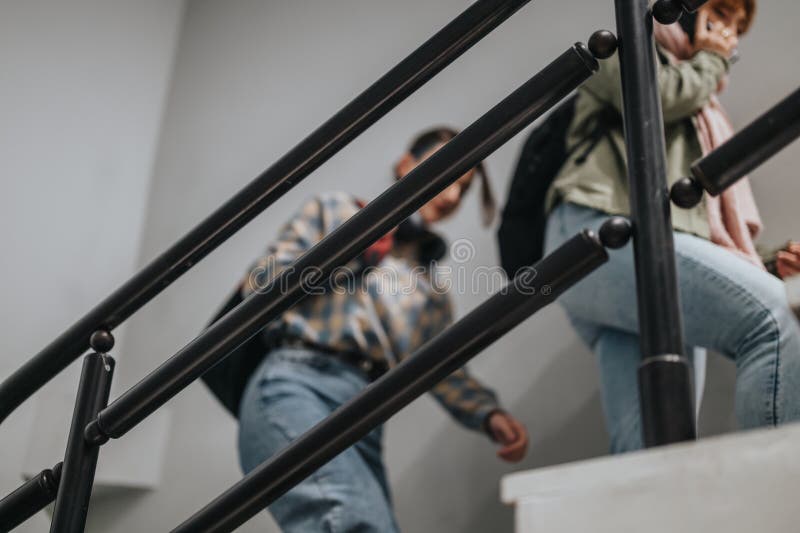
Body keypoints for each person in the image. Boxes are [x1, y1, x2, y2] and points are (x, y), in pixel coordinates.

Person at [234, 127, 529, 532]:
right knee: (352, 521)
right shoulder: (337, 211)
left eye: (464, 188)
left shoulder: (429, 287)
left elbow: (440, 365)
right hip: (297, 383)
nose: (452, 197)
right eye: (449, 175)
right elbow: (259, 284)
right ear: (406, 164)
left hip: (365, 414)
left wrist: (487, 412)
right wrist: (355, 244)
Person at [543, 0, 800, 453]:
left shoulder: (702, 104)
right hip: (596, 234)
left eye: (737, 27)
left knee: (657, 443)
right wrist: (712, 60)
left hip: (646, 248)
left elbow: (693, 228)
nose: (728, 32)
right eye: (720, 12)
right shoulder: (621, 48)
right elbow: (655, 99)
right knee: (776, 320)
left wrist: (764, 262)